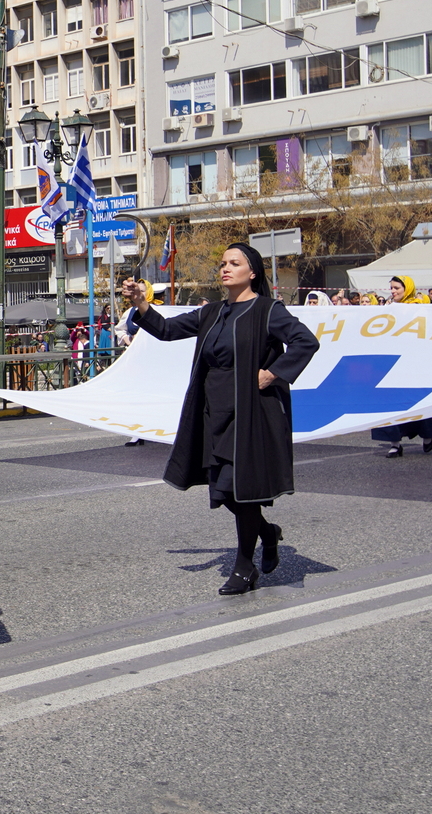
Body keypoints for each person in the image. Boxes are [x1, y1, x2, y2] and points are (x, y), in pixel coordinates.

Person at [122, 243, 320, 595]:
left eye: (234, 263)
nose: (225, 268)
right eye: (223, 263)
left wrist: (273, 373)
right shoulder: (211, 312)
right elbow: (166, 330)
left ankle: (244, 568)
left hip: (250, 410)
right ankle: (267, 532)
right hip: (212, 409)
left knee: (242, 489)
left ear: (252, 272)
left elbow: (306, 342)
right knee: (223, 488)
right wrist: (140, 304)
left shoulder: (268, 311)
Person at [372, 275, 432, 457]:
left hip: (417, 363)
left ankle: (428, 435)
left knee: (421, 400)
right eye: (391, 288)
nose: (393, 291)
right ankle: (395, 443)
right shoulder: (389, 309)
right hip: (393, 363)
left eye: (397, 288)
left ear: (406, 289)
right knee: (390, 401)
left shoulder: (419, 309)